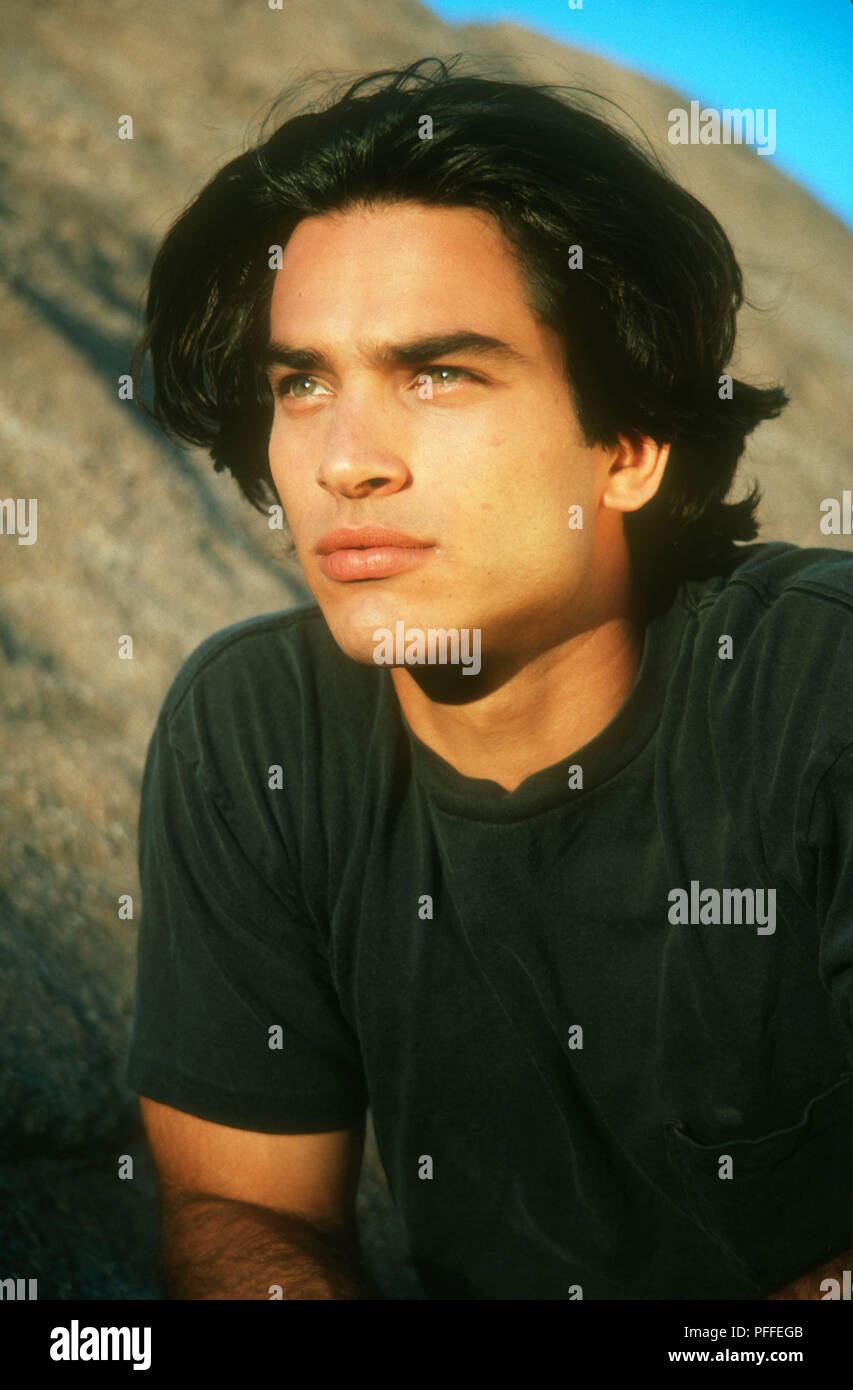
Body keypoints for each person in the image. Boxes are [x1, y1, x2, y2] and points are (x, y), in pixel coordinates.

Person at [126, 57, 852, 1300]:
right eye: (301, 382)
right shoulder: (254, 732)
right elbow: (241, 1208)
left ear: (628, 446)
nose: (343, 461)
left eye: (437, 373)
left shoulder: (815, 689)